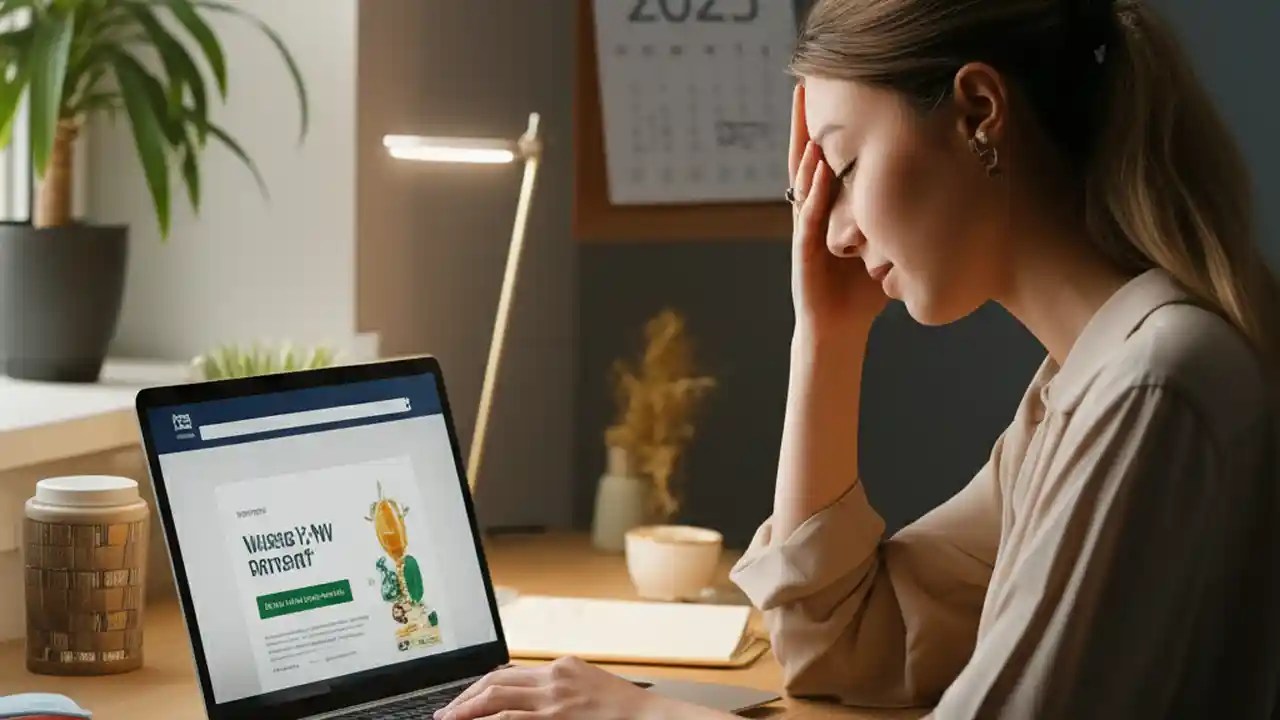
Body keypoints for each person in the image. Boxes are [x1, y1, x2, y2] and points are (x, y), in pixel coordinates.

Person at [436, 0, 1280, 717]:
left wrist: (647, 710)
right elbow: (842, 645)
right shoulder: (1082, 384)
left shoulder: (1151, 385)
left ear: (980, 112)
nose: (833, 230)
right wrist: (828, 338)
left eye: (841, 164)